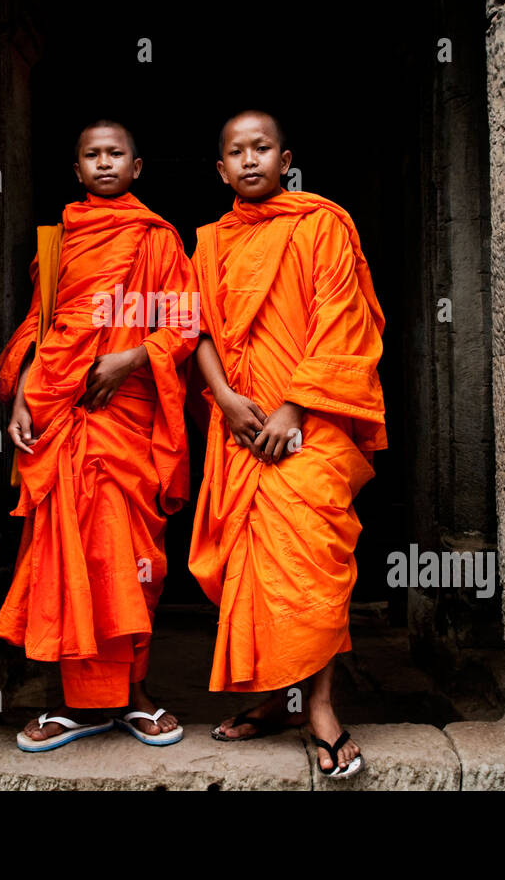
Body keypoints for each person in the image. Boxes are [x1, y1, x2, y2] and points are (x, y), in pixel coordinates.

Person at [189, 110, 386, 778]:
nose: (249, 160)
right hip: (241, 425)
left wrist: (292, 408)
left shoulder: (321, 224)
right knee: (256, 571)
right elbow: (200, 331)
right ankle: (279, 693)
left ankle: (322, 709)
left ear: (285, 157)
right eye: (236, 152)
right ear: (221, 169)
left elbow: (342, 320)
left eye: (262, 148)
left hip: (309, 425)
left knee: (311, 570)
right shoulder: (210, 241)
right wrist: (224, 397)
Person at [0, 120, 199, 751]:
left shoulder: (158, 239)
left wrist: (131, 359)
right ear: (76, 170)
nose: (104, 163)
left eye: (116, 154)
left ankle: (132, 696)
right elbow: (38, 325)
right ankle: (71, 704)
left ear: (137, 168)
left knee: (129, 560)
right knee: (63, 558)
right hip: (60, 417)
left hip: (128, 416)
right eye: (92, 155)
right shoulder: (56, 244)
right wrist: (24, 394)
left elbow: (186, 323)